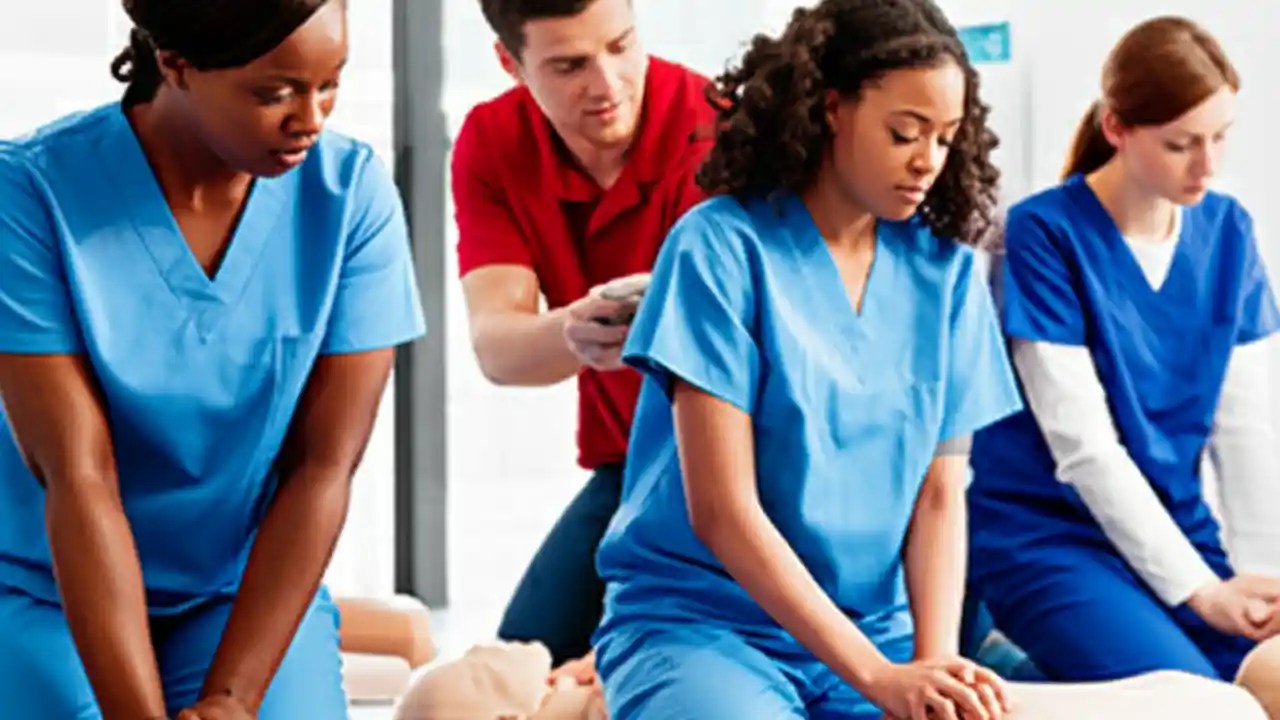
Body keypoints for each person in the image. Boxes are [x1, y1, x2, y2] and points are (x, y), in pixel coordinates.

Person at [590, 0, 1025, 717]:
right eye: (904, 132)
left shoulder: (945, 274)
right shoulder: (719, 248)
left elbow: (941, 497)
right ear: (831, 109)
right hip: (706, 626)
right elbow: (722, 511)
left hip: (876, 631)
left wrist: (932, 665)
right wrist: (877, 680)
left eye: (946, 140)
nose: (927, 161)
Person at [0, 1, 425, 718]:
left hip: (236, 591)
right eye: (275, 92)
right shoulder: (30, 193)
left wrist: (232, 697)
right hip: (45, 585)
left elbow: (323, 469)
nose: (311, 119)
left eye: (331, 84)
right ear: (177, 66)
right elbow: (78, 476)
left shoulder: (350, 195)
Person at [968, 15, 1280, 684]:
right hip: (1046, 540)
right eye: (1180, 144)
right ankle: (1001, 672)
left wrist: (1261, 582)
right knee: (1199, 701)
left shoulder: (1227, 232)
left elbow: (1246, 432)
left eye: (1220, 138)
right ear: (1117, 128)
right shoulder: (1044, 233)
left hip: (1177, 533)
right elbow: (1086, 450)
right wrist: (1201, 593)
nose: (1208, 164)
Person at [452, 0, 716, 674]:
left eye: (622, 46)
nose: (607, 84)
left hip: (747, 472)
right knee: (505, 679)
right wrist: (573, 331)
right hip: (632, 471)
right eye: (570, 66)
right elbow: (498, 348)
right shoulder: (492, 141)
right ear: (510, 65)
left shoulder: (717, 126)